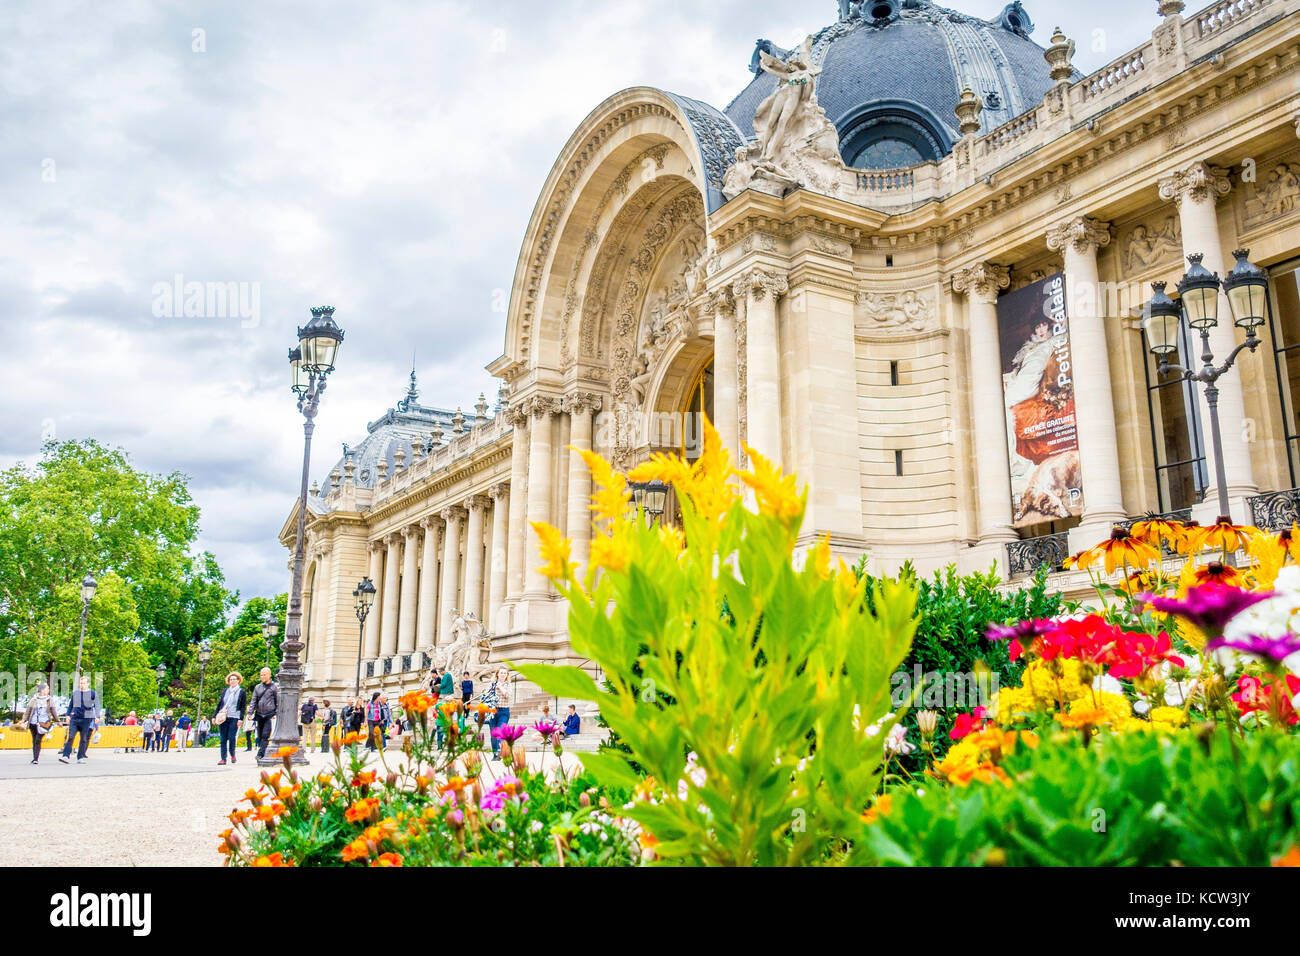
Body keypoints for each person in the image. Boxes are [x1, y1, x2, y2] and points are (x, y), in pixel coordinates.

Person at [58, 675, 99, 764]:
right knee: (71, 737)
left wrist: (97, 716)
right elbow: (71, 705)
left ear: (88, 684)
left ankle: (80, 757)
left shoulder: (93, 693)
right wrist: (68, 715)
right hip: (75, 718)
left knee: (83, 738)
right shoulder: (75, 693)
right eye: (81, 683)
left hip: (86, 718)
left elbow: (97, 705)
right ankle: (65, 756)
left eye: (84, 683)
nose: (82, 685)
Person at [214, 671, 247, 765]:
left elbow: (243, 706)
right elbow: (220, 703)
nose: (232, 681)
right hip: (223, 716)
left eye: (234, 679)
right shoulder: (225, 691)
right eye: (230, 679)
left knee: (231, 737)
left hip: (234, 717)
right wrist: (214, 715)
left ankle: (232, 754)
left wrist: (241, 719)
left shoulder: (242, 692)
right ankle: (223, 758)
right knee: (223, 739)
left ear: (238, 680)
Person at [482, 666, 512, 759]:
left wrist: (500, 686)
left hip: (504, 711)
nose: (503, 674)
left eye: (504, 673)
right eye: (501, 673)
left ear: (507, 675)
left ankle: (500, 750)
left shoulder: (508, 685)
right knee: (493, 734)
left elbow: (508, 695)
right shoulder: (491, 684)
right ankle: (495, 754)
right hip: (492, 712)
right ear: (497, 674)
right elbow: (486, 696)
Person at [22, 682, 56, 764]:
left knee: (38, 739)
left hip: (44, 724)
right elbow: (28, 711)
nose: (48, 690)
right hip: (33, 723)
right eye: (47, 688)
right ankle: (35, 758)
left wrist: (58, 721)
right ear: (42, 690)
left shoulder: (49, 700)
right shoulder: (34, 699)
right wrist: (24, 719)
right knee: (34, 740)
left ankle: (36, 759)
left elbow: (53, 711)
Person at [251, 667, 279, 759]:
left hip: (269, 714)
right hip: (259, 714)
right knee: (259, 735)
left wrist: (276, 713)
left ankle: (260, 753)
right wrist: (250, 712)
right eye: (261, 675)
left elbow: (277, 701)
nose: (262, 676)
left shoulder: (274, 687)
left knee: (265, 734)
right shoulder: (257, 687)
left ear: (269, 675)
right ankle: (263, 749)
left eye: (264, 674)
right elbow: (253, 700)